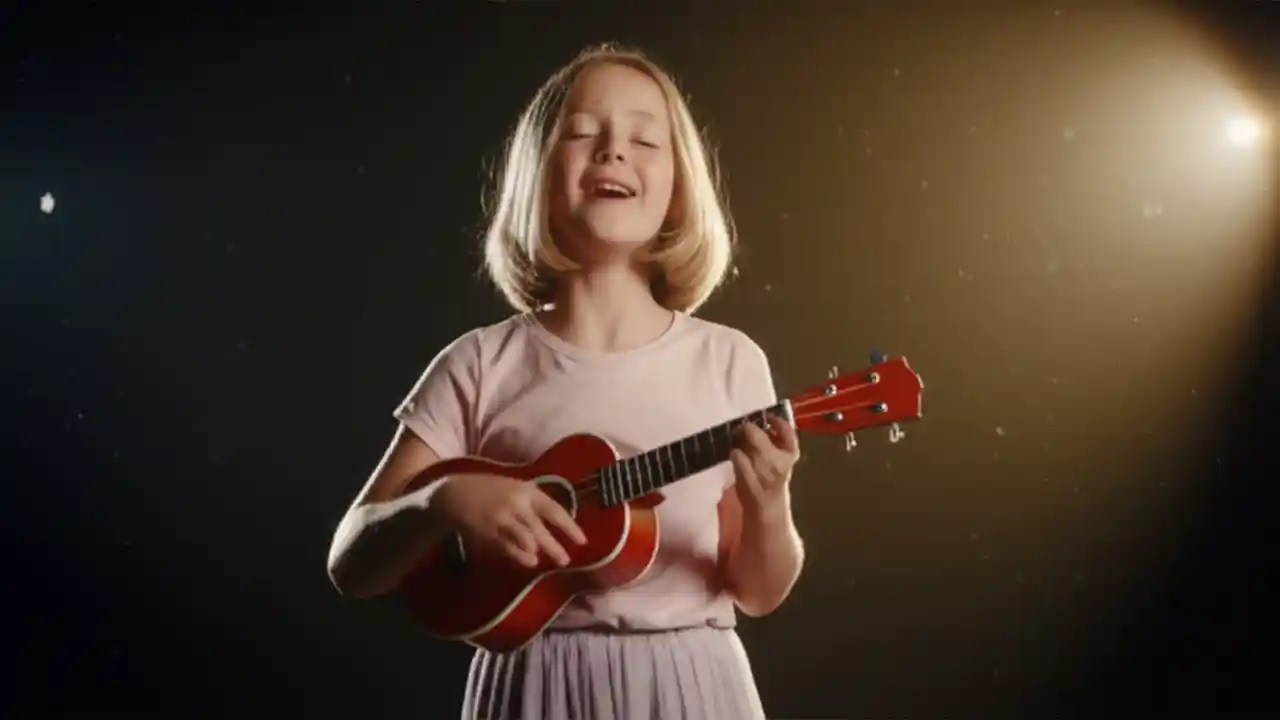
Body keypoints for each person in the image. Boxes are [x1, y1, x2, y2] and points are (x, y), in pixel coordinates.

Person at [326, 42, 805, 720]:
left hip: (690, 685)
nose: (614, 153)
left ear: (678, 190)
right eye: (583, 135)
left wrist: (769, 505)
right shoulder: (479, 364)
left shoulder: (729, 362)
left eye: (645, 140)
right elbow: (352, 562)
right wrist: (444, 502)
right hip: (528, 688)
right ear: (539, 176)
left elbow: (757, 592)